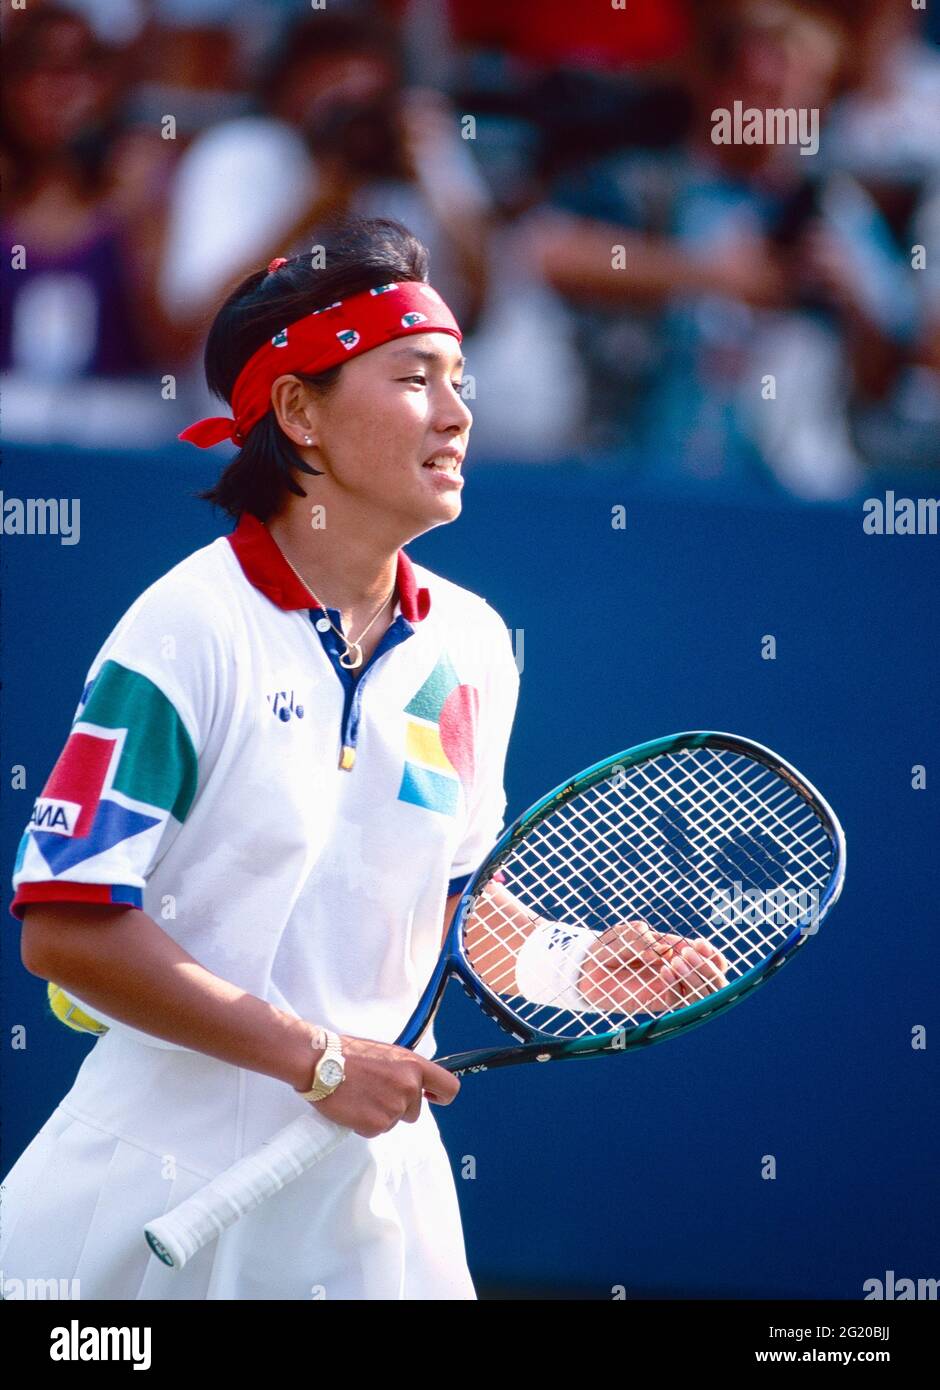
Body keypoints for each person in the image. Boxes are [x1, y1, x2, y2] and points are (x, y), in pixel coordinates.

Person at [3, 217, 725, 1300]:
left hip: (376, 1209)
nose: (457, 413)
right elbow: (66, 926)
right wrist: (316, 1058)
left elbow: (444, 907)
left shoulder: (473, 644)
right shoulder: (184, 630)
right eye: (415, 378)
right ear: (298, 410)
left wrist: (572, 964)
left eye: (459, 380)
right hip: (144, 1187)